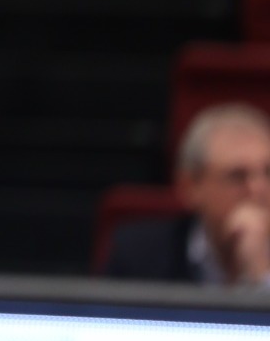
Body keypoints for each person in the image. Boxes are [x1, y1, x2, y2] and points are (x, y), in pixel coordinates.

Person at [106, 104, 270, 287]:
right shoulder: (138, 255)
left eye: (268, 173)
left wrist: (261, 275)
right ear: (189, 187)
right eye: (237, 176)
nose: (258, 189)